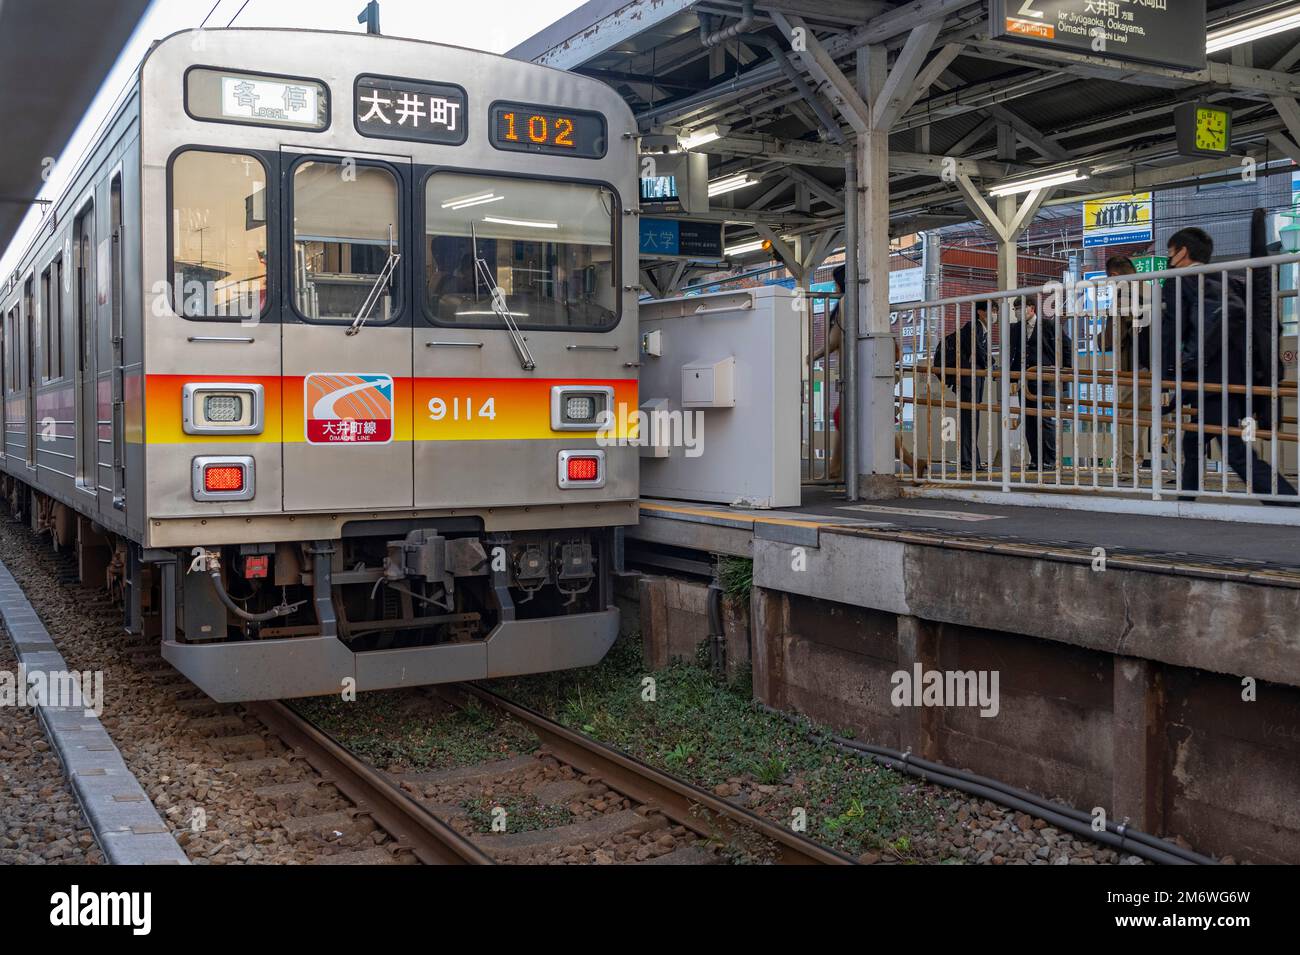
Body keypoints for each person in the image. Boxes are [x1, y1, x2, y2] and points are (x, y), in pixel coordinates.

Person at [1151, 227, 1297, 502]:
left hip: (1212, 377)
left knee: (1235, 451)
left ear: (1182, 252)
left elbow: (1172, 331)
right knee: (1193, 440)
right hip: (1241, 373)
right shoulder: (1229, 279)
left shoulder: (1180, 280)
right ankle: (1185, 500)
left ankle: (1288, 501)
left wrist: (1165, 375)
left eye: (1170, 252)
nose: (1169, 258)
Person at [1009, 300, 1071, 470]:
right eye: (1015, 308)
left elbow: (1066, 346)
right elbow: (1012, 352)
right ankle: (1036, 458)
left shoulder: (1049, 325)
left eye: (1020, 308)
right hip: (1025, 380)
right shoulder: (1015, 329)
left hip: (1046, 379)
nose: (1017, 311)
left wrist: (1064, 373)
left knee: (1044, 418)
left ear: (1032, 308)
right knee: (1028, 418)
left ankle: (1050, 459)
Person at [932, 302, 990, 471]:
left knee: (972, 419)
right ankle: (968, 460)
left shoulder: (981, 330)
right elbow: (978, 351)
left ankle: (971, 459)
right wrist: (991, 365)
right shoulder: (973, 327)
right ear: (980, 312)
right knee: (969, 419)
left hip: (972, 379)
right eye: (991, 310)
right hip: (967, 380)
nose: (995, 314)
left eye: (996, 311)